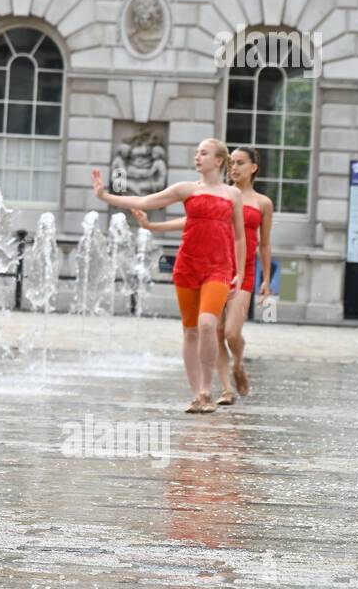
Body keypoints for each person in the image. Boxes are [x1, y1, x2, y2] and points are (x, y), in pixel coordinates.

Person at [92, 139, 245, 413]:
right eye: (197, 153)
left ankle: (208, 390)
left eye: (204, 153)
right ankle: (196, 393)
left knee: (208, 324)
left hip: (218, 268)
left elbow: (240, 238)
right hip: (187, 266)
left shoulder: (232, 195)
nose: (198, 157)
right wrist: (105, 195)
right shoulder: (186, 189)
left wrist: (240, 272)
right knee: (190, 331)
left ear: (219, 160)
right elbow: (144, 201)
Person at [132, 145, 273, 401]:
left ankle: (238, 364)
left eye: (241, 163)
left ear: (254, 168)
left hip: (243, 269)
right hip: (215, 264)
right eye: (232, 162)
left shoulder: (262, 203)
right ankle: (225, 389)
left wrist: (265, 279)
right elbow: (190, 221)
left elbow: (264, 243)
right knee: (213, 328)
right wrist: (152, 225)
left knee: (231, 332)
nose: (235, 167)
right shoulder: (218, 194)